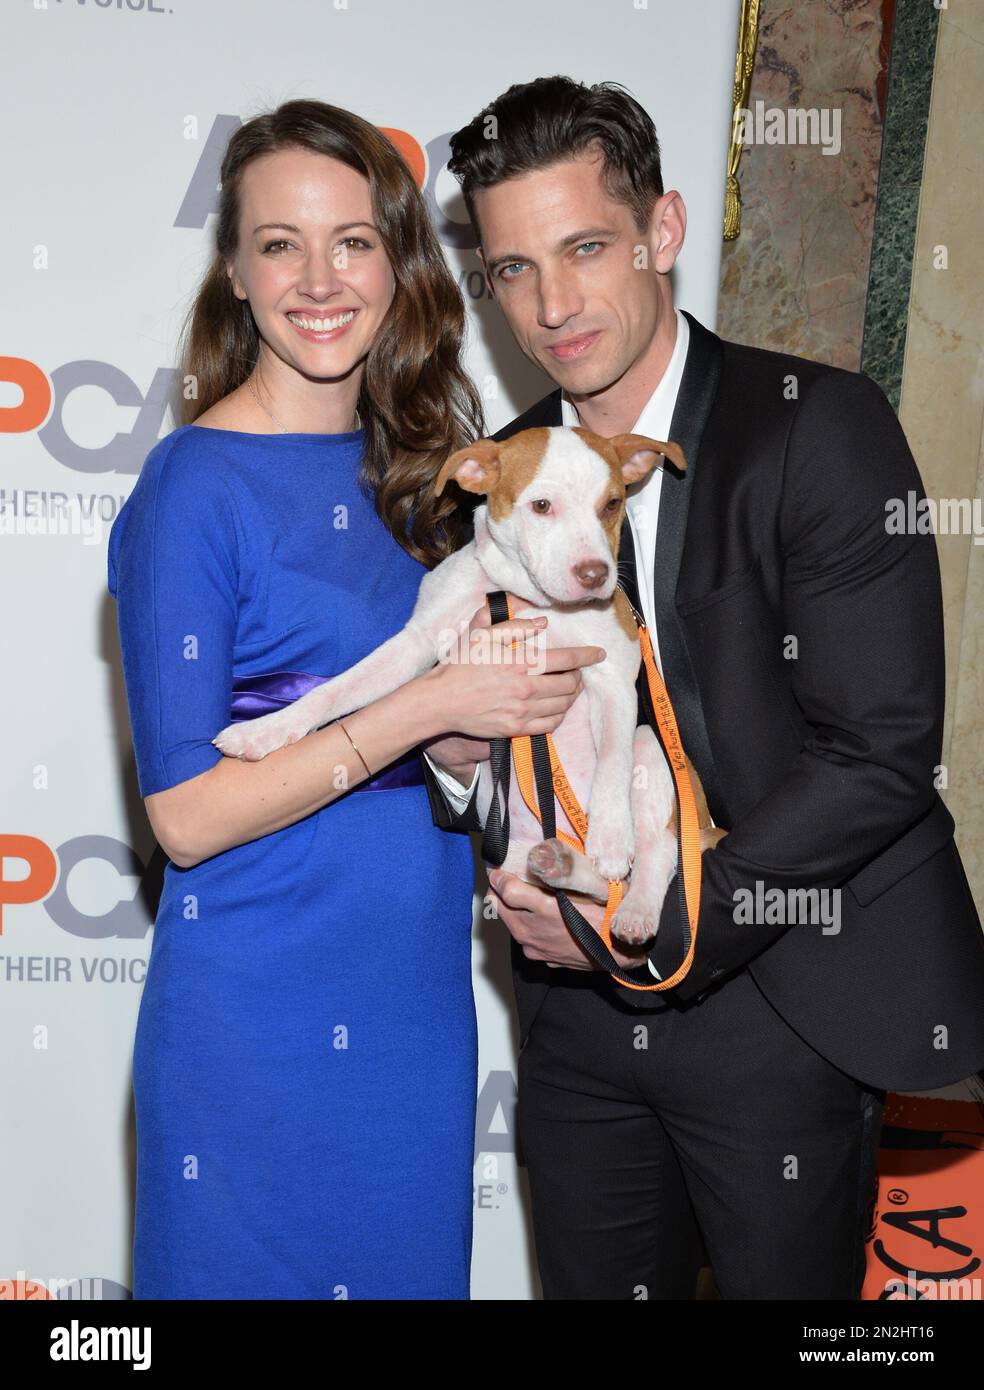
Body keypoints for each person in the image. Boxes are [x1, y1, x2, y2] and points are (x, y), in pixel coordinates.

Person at [421, 75, 984, 1299]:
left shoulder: (813, 427)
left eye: (584, 247)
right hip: (573, 1022)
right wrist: (459, 766)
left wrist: (677, 922)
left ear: (662, 232)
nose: (553, 304)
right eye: (514, 269)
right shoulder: (512, 483)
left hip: (776, 993)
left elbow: (881, 752)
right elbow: (490, 742)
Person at [107, 97, 603, 1300]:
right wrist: (428, 704)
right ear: (234, 268)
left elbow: (474, 762)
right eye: (280, 242)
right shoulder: (191, 488)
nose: (319, 278)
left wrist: (488, 747)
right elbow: (181, 817)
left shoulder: (436, 482)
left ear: (399, 262)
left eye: (353, 242)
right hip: (252, 1024)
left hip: (415, 1019)